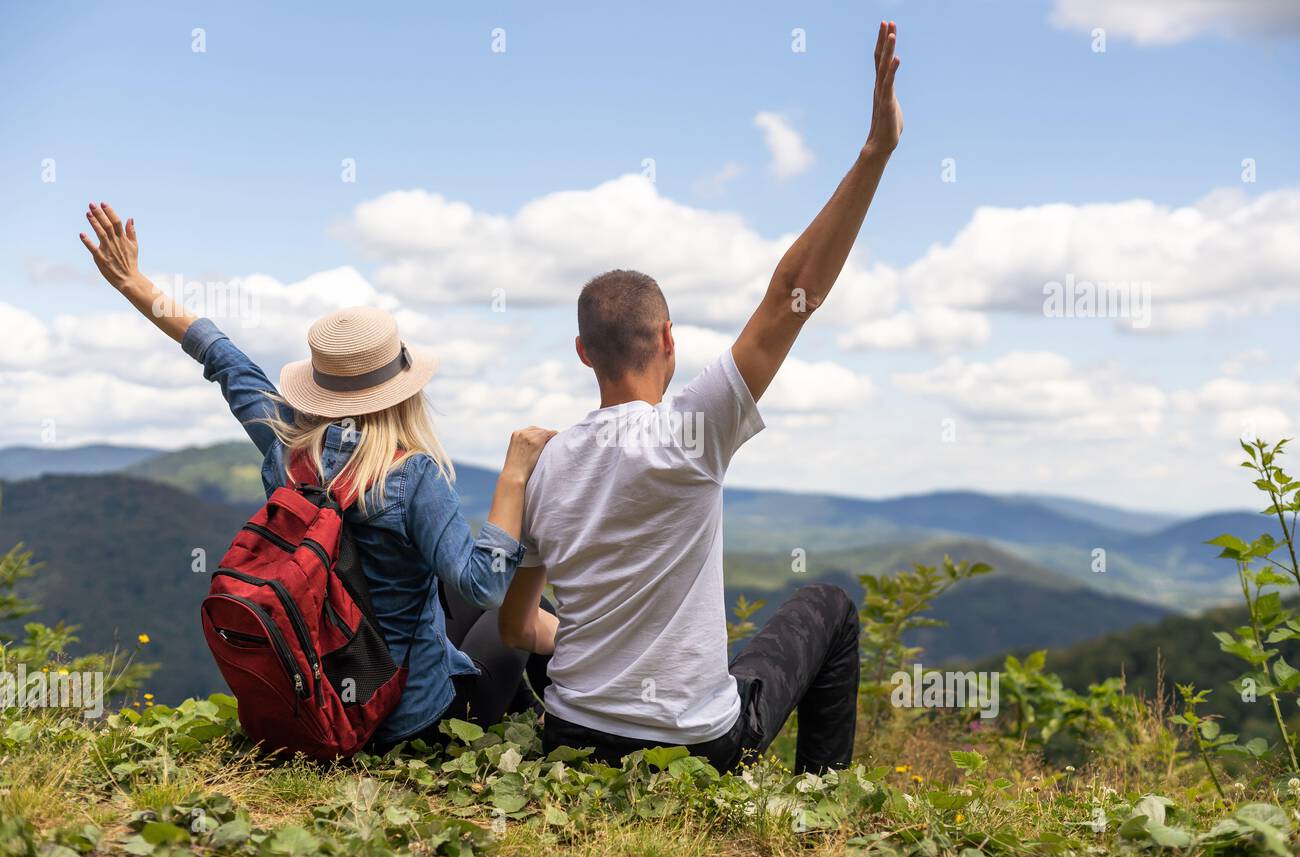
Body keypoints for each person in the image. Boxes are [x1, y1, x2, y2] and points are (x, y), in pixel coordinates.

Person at [497, 21, 904, 773]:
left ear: (584, 354)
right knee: (831, 608)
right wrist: (875, 152)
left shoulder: (548, 467)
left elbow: (519, 628)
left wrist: (588, 650)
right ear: (670, 342)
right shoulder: (690, 432)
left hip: (572, 739)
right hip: (693, 747)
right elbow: (791, 295)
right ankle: (818, 797)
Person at [78, 204, 557, 749]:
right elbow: (483, 584)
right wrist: (514, 476)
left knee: (463, 609)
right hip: (410, 721)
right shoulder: (413, 474)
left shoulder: (284, 442)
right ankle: (549, 724)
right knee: (521, 618)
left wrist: (131, 282)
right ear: (404, 387)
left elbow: (221, 357)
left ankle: (523, 716)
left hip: (323, 697)